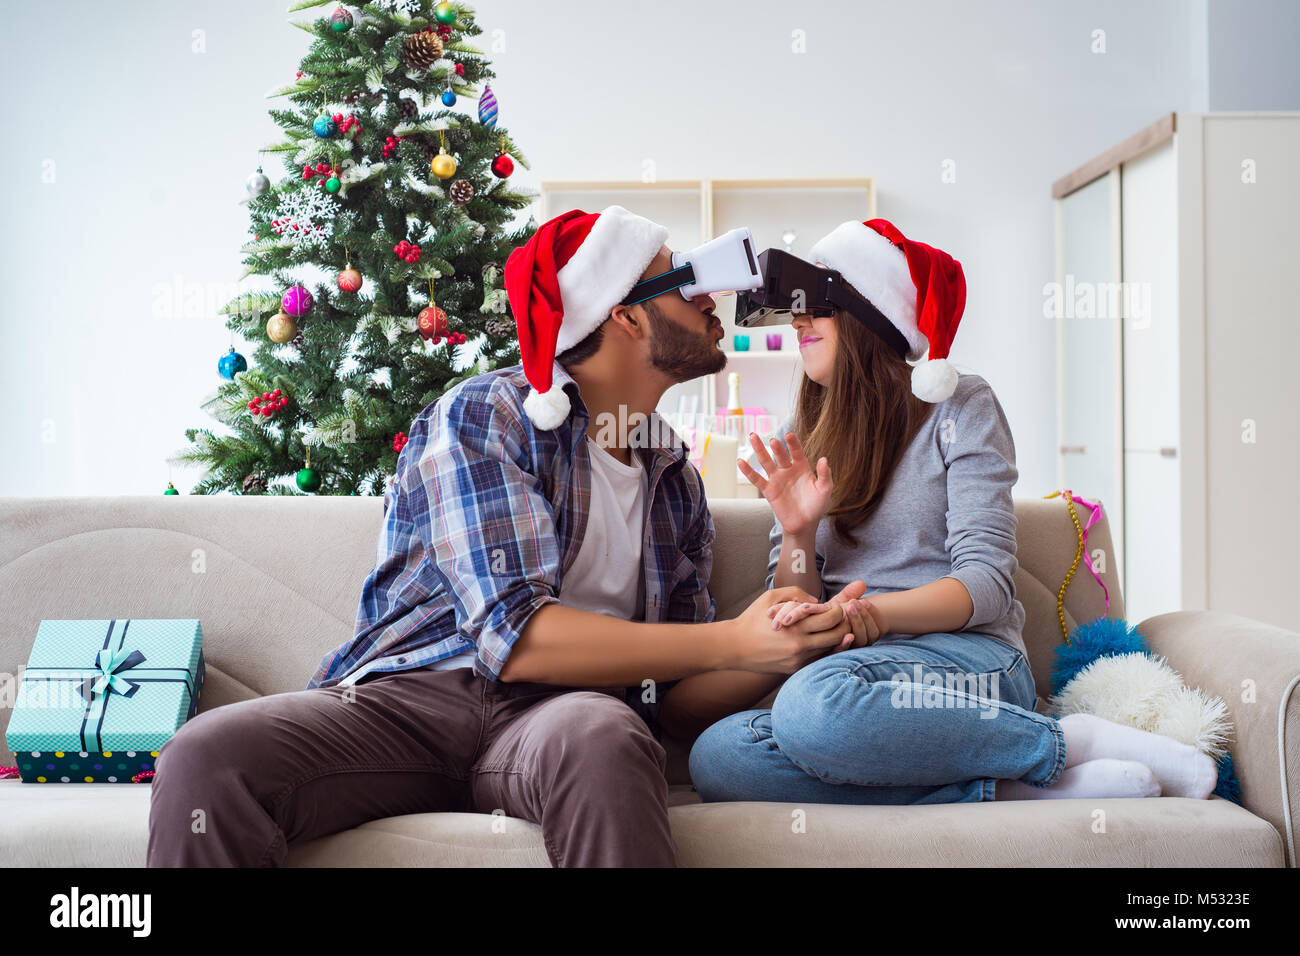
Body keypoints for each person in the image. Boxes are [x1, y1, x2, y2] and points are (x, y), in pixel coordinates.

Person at [146, 205, 863, 868]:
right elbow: (516, 637)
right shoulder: (488, 415)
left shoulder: (673, 474)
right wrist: (732, 640)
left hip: (562, 720)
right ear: (626, 317)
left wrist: (787, 619)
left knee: (607, 735)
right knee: (203, 758)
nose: (712, 297)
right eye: (683, 280)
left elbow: (674, 699)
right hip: (411, 701)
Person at [688, 218, 1218, 806]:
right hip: (854, 678)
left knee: (813, 708)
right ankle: (1011, 784)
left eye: (819, 306)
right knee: (719, 756)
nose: (801, 321)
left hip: (970, 667)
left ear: (870, 312)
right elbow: (789, 604)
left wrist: (872, 617)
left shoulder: (960, 406)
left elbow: (985, 584)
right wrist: (797, 530)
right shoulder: (803, 433)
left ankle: (1068, 742)